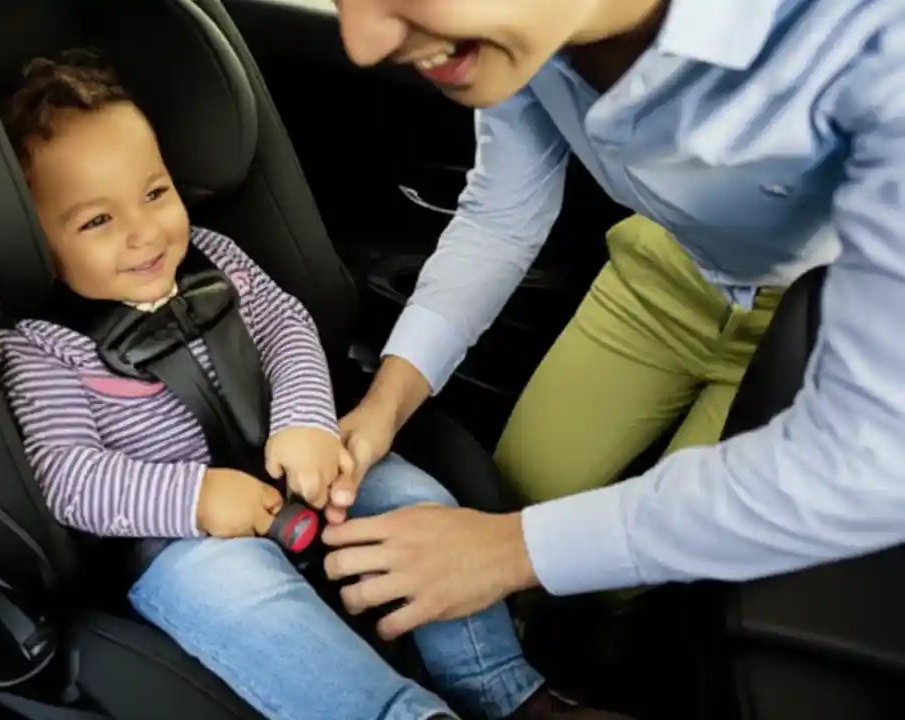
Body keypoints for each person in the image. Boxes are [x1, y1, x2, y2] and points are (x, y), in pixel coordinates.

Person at [0, 51, 626, 720]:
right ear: (35, 242)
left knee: (415, 498)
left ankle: (507, 690)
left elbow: (289, 331)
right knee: (241, 596)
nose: (144, 232)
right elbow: (65, 475)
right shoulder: (41, 346)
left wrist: (305, 421)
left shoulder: (213, 258)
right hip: (177, 536)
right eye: (97, 221)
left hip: (292, 468)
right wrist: (197, 499)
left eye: (154, 193)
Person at [323, 0, 905, 642]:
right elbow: (501, 217)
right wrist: (386, 403)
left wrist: (510, 552)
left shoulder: (877, 38)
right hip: (658, 272)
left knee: (664, 585)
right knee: (515, 491)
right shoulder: (523, 33)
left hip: (821, 322)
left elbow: (872, 458)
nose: (361, 44)